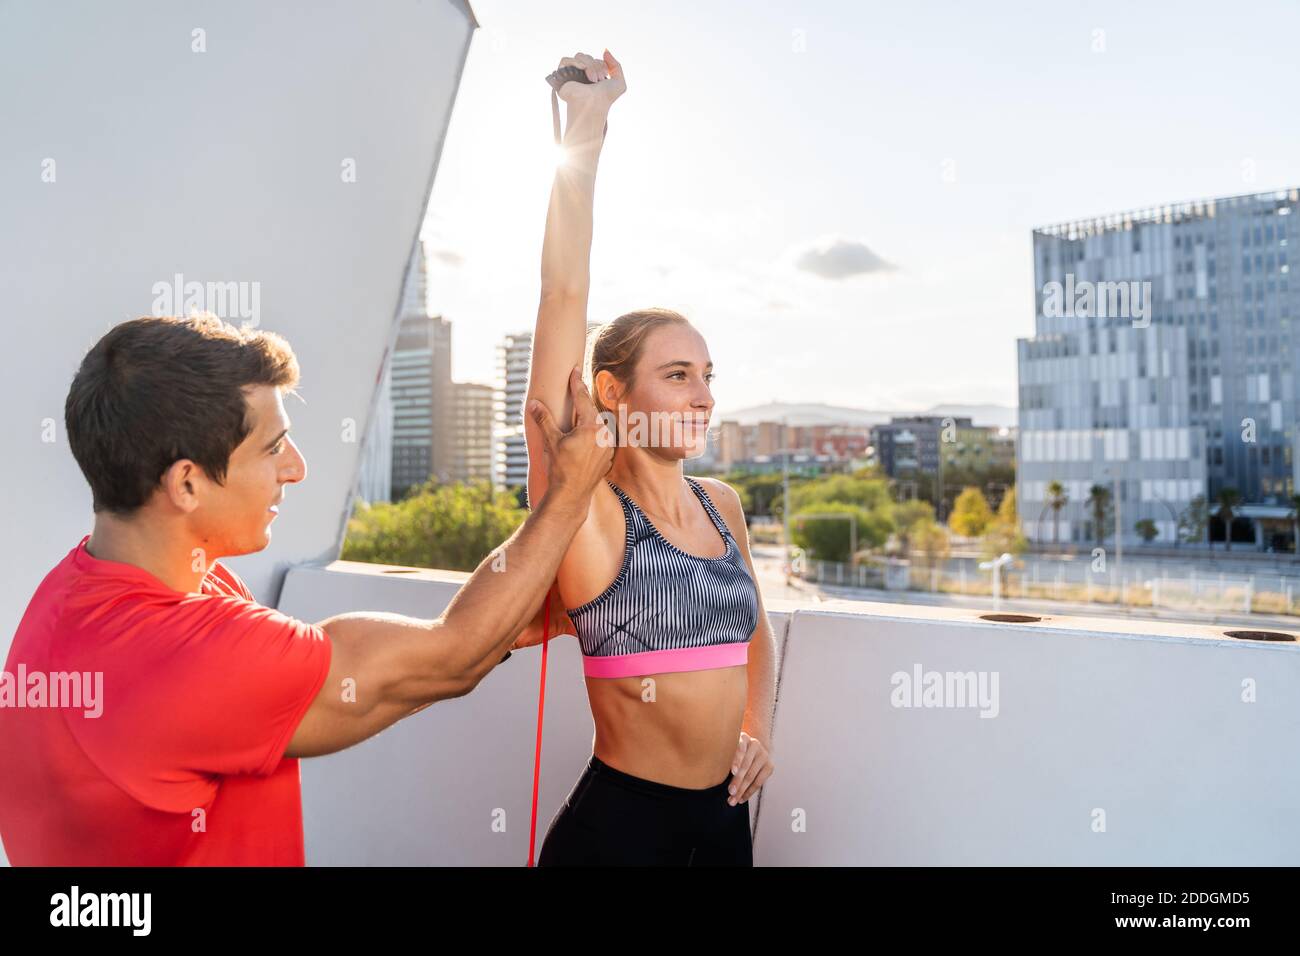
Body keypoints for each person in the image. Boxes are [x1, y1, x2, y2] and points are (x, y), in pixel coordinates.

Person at [0, 313, 612, 865]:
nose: (296, 467)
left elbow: (412, 668)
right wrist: (568, 495)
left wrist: (496, 631)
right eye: (271, 448)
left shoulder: (83, 590)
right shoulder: (180, 654)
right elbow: (447, 661)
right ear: (186, 483)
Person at [527, 51, 778, 867]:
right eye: (677, 376)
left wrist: (756, 732)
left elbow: (757, 636)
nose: (702, 395)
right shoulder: (589, 513)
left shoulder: (721, 504)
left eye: (707, 376)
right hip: (621, 837)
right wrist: (587, 135)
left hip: (723, 828)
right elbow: (562, 298)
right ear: (614, 391)